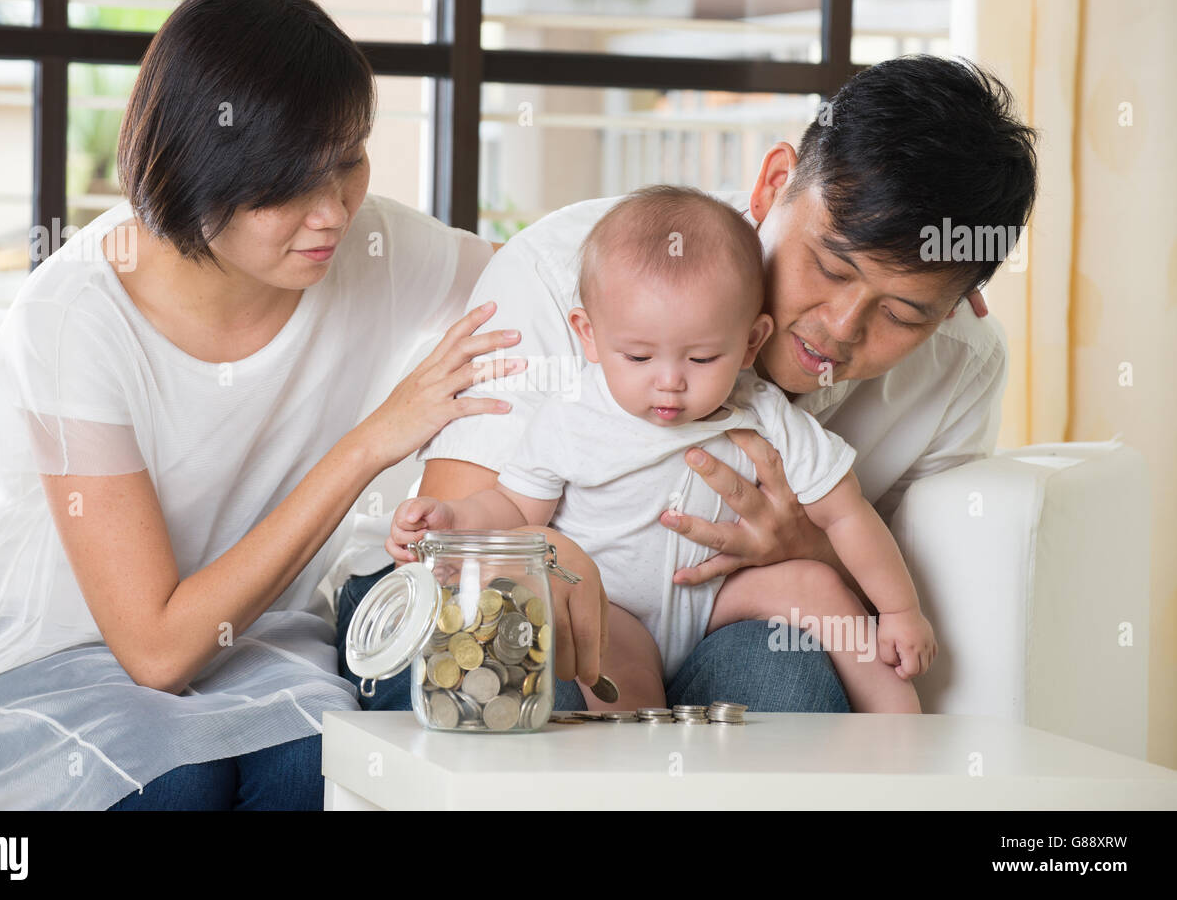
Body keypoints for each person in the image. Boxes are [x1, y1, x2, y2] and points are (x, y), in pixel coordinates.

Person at [0, 0, 556, 811]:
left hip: (245, 646)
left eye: (347, 161)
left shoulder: (362, 242)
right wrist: (373, 441)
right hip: (32, 657)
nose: (333, 211)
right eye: (285, 186)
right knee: (178, 786)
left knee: (317, 776)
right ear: (193, 172)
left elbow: (548, 280)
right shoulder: (73, 322)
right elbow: (156, 651)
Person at [337, 54, 1038, 715]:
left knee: (785, 673)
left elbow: (910, 592)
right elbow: (458, 560)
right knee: (503, 663)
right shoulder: (571, 275)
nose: (842, 327)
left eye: (903, 312)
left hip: (722, 617)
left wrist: (808, 548)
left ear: (953, 304)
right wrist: (552, 560)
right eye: (830, 267)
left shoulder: (959, 357)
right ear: (773, 184)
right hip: (511, 590)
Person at [389, 186, 935, 714]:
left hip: (719, 597)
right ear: (590, 335)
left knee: (817, 587)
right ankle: (642, 778)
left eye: (701, 360)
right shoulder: (574, 416)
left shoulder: (767, 413)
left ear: (750, 341)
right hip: (613, 602)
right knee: (613, 669)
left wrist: (899, 610)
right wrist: (453, 518)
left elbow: (846, 514)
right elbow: (513, 509)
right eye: (639, 357)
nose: (669, 383)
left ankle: (902, 737)